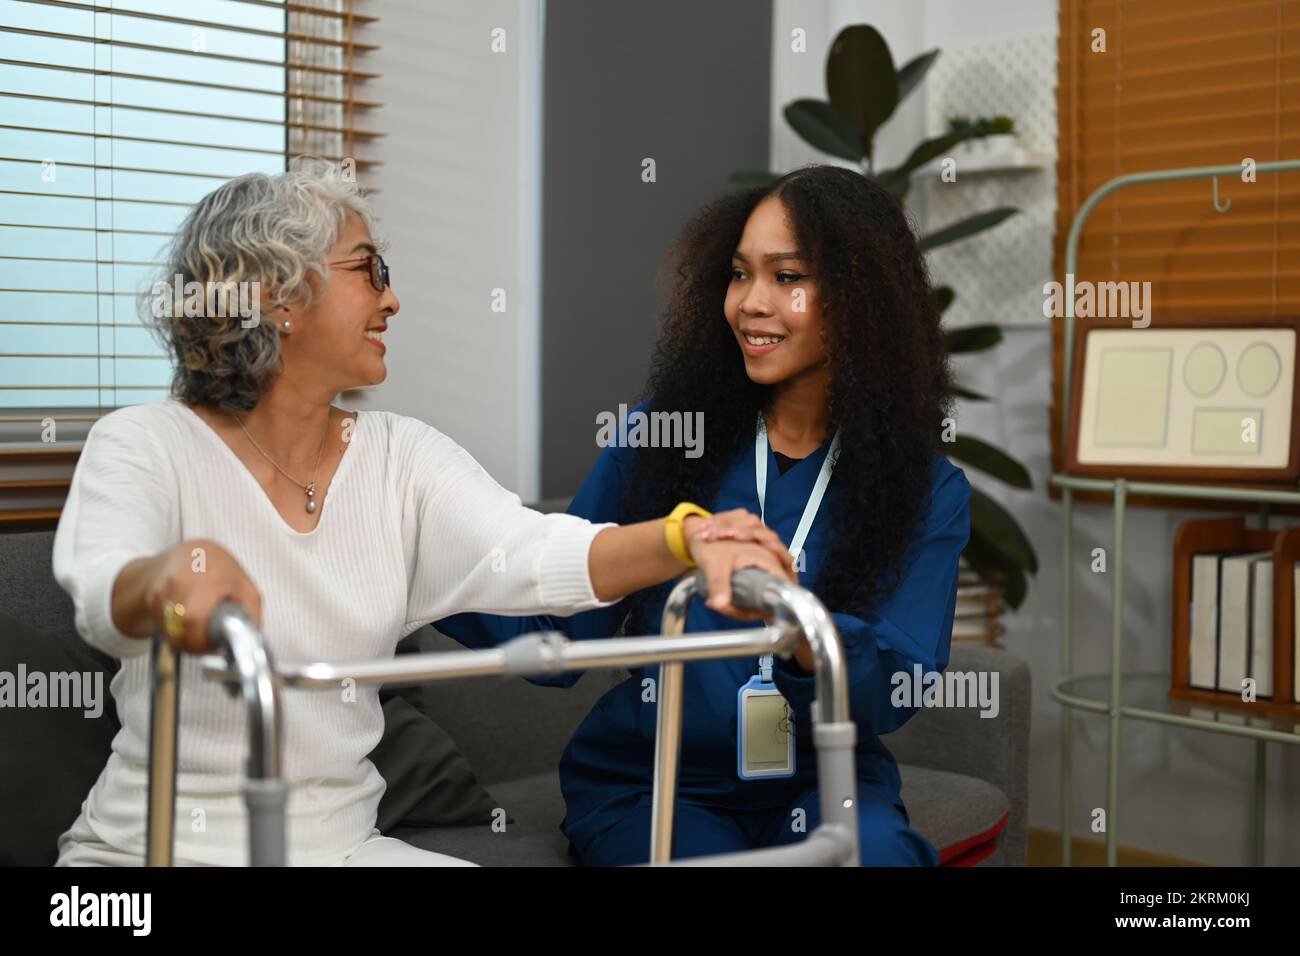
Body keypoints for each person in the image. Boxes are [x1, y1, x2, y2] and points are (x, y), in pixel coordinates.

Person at [50, 159, 794, 867]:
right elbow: (103, 594)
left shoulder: (400, 457)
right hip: (147, 851)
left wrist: (689, 537)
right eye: (368, 269)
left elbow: (537, 553)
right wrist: (166, 585)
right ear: (276, 295)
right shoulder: (146, 442)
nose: (391, 298)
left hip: (339, 851)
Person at [435, 165, 972, 866]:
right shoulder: (661, 438)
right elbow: (563, 620)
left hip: (823, 777)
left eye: (787, 278)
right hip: (654, 780)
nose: (751, 302)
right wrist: (422, 575)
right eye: (740, 273)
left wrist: (797, 628)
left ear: (860, 299)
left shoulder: (926, 488)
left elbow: (892, 690)